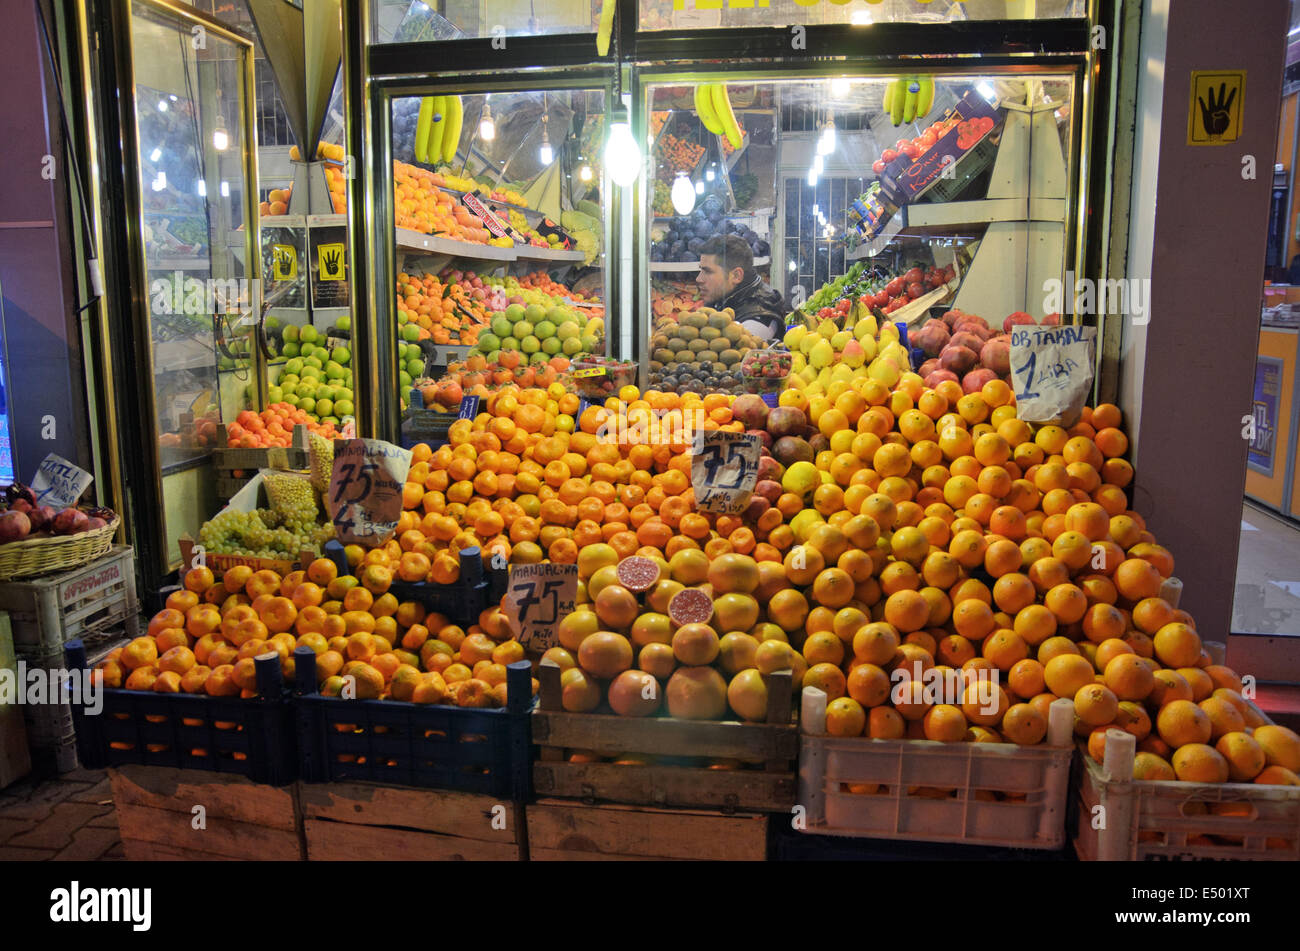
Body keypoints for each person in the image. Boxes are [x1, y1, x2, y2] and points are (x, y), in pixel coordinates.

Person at [695, 234, 786, 341]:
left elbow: (735, 355)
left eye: (708, 271)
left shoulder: (757, 322)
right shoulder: (728, 298)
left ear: (736, 275)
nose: (698, 279)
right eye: (701, 270)